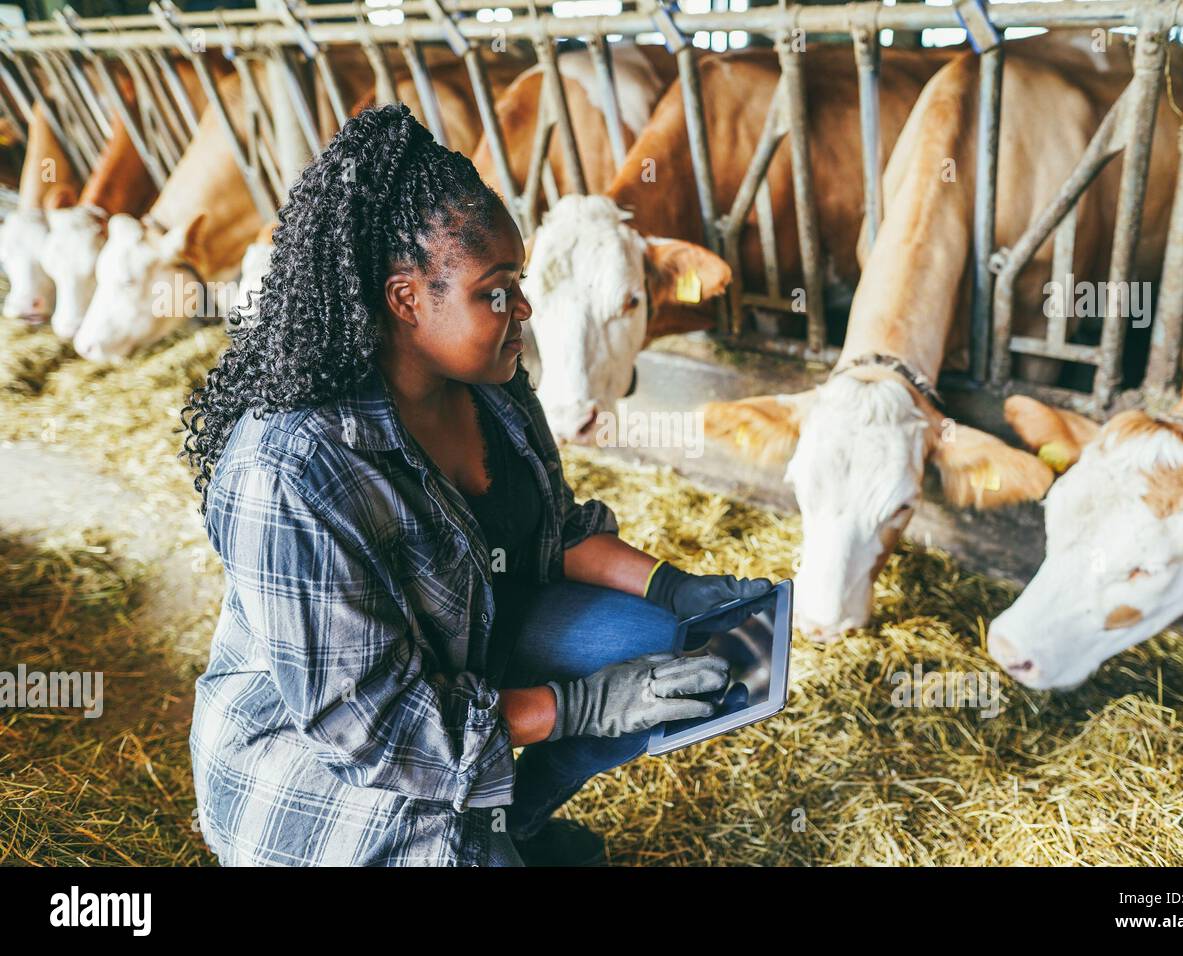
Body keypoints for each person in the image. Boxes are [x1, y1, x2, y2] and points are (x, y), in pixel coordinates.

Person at [180, 103, 772, 866]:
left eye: (519, 281)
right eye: (497, 289)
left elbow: (551, 530)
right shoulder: (291, 469)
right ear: (405, 300)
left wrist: (675, 589)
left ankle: (511, 819)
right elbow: (371, 731)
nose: (521, 308)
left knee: (673, 650)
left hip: (461, 648)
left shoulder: (493, 379)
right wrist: (582, 707)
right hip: (324, 774)